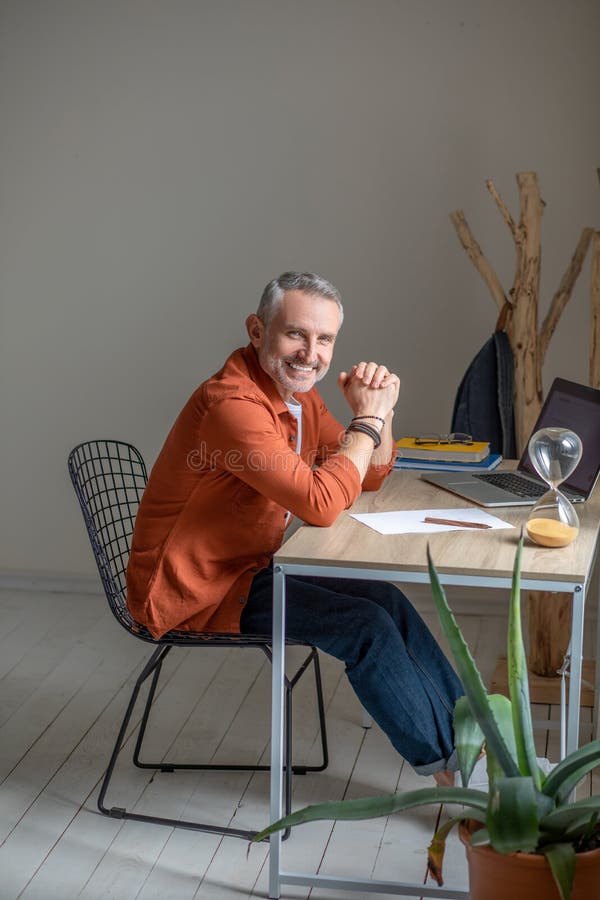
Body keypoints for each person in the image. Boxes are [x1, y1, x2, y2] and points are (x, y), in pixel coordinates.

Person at [126, 271, 463, 785]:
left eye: (324, 339)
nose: (311, 353)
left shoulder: (298, 396)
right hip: (196, 591)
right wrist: (366, 425)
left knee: (386, 600)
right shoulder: (233, 406)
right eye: (296, 334)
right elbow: (323, 504)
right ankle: (454, 775)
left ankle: (476, 746)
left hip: (246, 569)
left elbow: (368, 474)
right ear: (257, 330)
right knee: (364, 626)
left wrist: (381, 410)